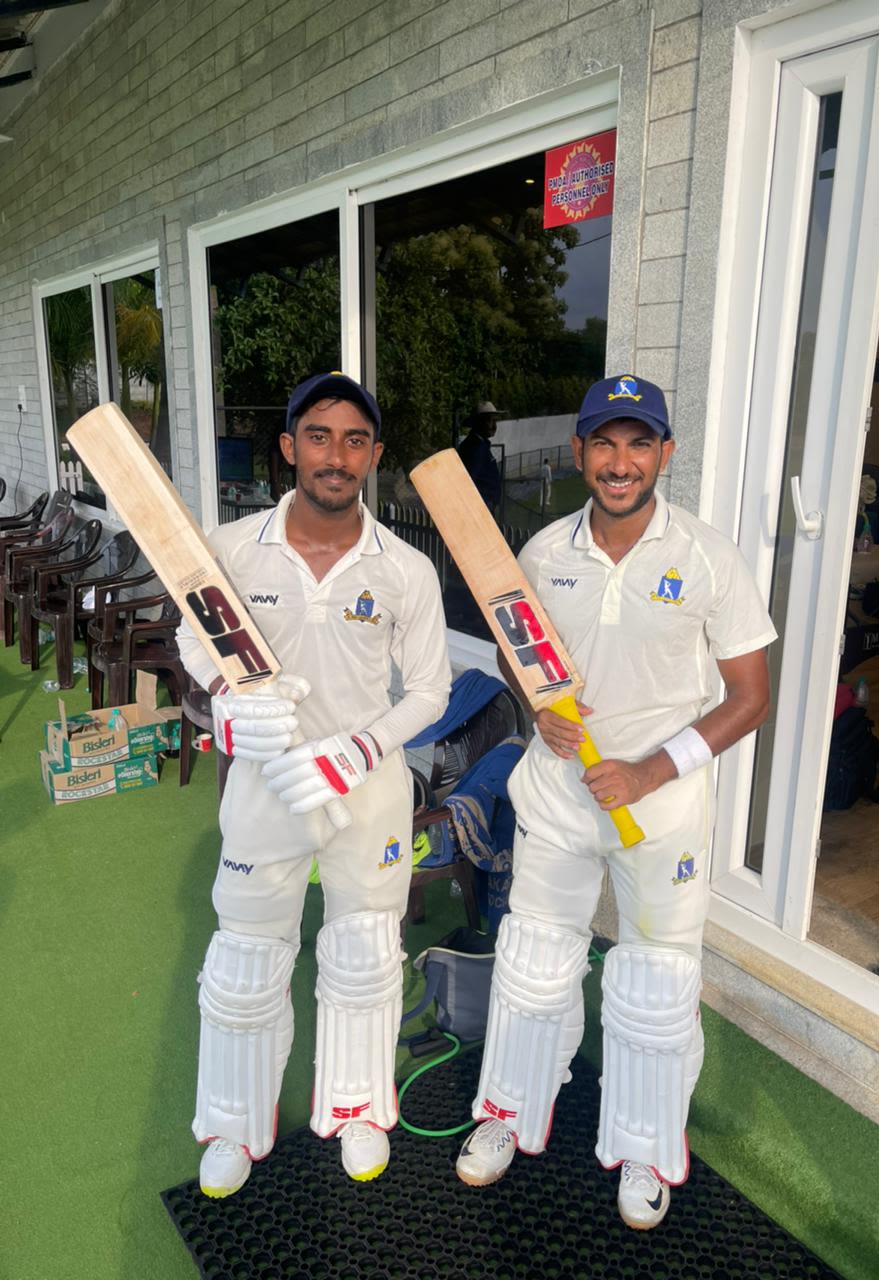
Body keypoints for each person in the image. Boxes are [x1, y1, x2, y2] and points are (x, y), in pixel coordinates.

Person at [454, 373, 776, 1230]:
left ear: (665, 453)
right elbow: (520, 667)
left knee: (655, 980)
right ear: (579, 454)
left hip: (657, 810)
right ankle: (509, 1113)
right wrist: (541, 713)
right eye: (604, 442)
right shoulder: (542, 553)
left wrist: (650, 771)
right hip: (560, 796)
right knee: (533, 958)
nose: (620, 461)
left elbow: (750, 695)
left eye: (639, 443)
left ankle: (643, 1147)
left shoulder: (709, 556)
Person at [176, 372, 450, 1199]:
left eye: (356, 440)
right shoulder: (225, 551)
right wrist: (225, 719)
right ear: (290, 447)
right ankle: (231, 1124)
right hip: (264, 788)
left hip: (367, 792)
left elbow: (431, 690)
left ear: (373, 456)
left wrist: (361, 747)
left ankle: (359, 1104)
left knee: (365, 952)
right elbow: (194, 663)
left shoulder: (404, 567)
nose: (338, 456)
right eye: (321, 437)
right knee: (245, 960)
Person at [457, 401, 503, 513]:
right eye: (489, 420)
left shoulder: (479, 444)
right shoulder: (475, 448)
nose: (494, 425)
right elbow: (469, 482)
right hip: (481, 509)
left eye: (495, 420)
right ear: (478, 423)